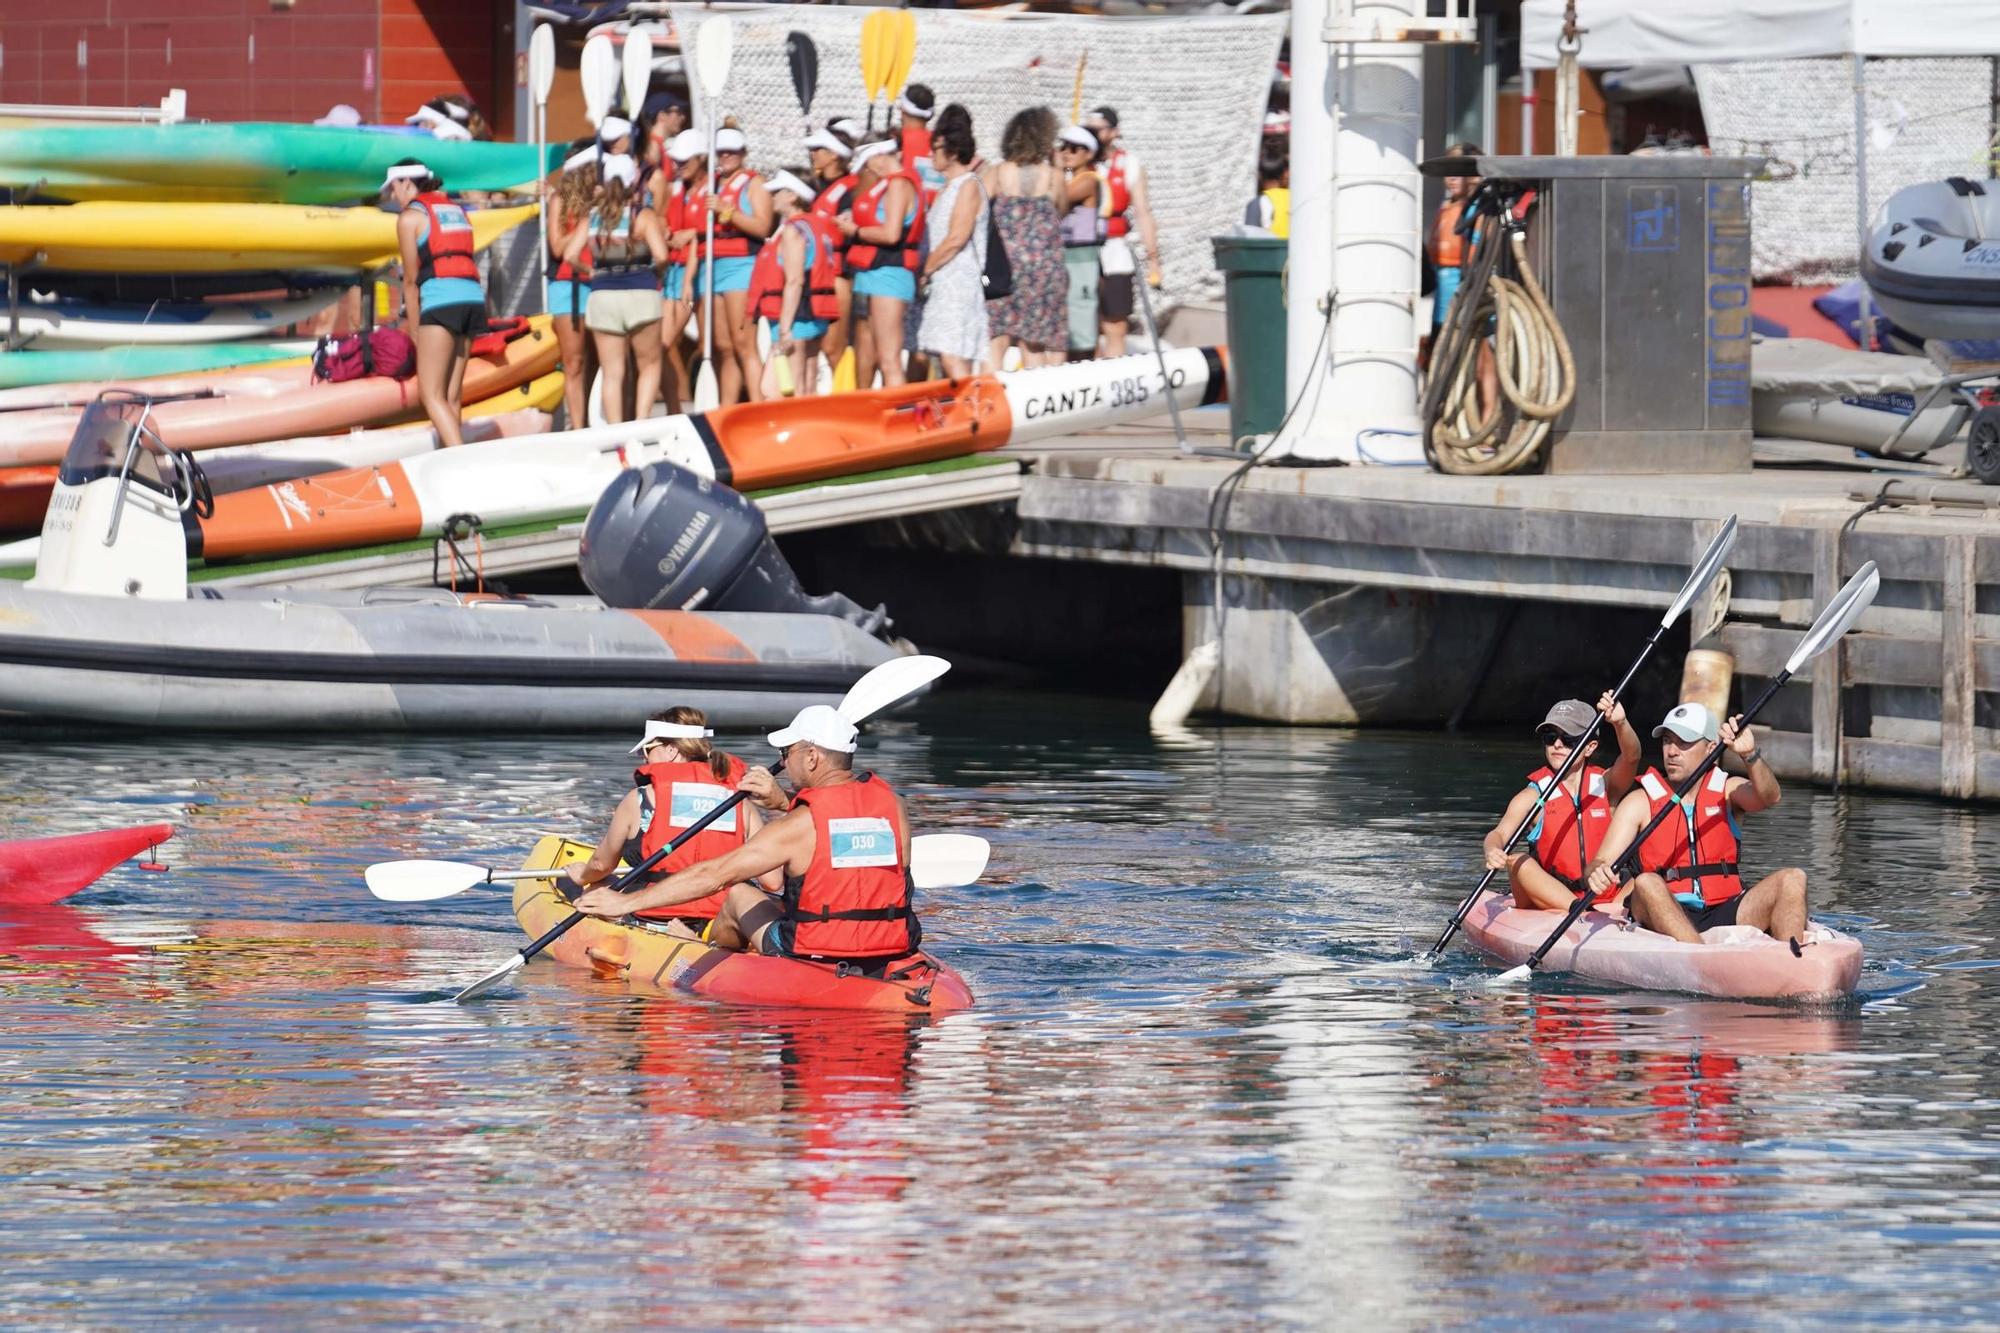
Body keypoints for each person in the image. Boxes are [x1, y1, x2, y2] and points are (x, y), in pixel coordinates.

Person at [576, 704, 923, 966]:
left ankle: (711, 953)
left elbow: (714, 876)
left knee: (739, 893)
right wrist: (783, 802)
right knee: (781, 899)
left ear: (813, 757)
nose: (784, 763)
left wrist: (625, 902)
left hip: (812, 947)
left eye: (787, 753)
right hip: (892, 943)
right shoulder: (894, 806)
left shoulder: (794, 827)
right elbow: (834, 828)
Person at [1583, 703, 1813, 947]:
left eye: (1684, 742)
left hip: (1725, 908)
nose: (1672, 751)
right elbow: (1599, 863)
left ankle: (1792, 960)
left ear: (1710, 748)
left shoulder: (1727, 790)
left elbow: (1770, 797)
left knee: (1793, 878)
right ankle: (1699, 955)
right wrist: (1596, 873)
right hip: (1663, 909)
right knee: (1646, 882)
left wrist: (1749, 755)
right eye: (1667, 741)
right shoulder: (1639, 802)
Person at [565, 708, 787, 929]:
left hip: (655, 917)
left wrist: (583, 877)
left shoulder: (641, 799)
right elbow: (773, 880)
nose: (644, 756)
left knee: (597, 887)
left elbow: (601, 863)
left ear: (670, 750)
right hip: (721, 920)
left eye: (647, 748)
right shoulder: (739, 801)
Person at [1481, 694, 1641, 911]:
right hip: (1556, 899)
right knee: (1518, 861)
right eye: (1550, 737)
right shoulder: (1532, 796)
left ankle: (1609, 913)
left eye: (1568, 739)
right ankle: (1578, 911)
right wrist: (1493, 849)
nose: (1557, 744)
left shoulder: (1607, 785)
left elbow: (1631, 757)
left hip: (1610, 895)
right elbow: (1499, 834)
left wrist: (1620, 723)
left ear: (1590, 747)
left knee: (1649, 878)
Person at [388, 159, 485, 447]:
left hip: (441, 301)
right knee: (452, 397)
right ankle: (451, 465)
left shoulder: (409, 217)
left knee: (429, 395)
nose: (393, 196)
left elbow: (410, 280)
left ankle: (461, 462)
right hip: (473, 300)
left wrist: (415, 328)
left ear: (407, 183)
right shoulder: (456, 209)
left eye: (394, 187)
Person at [982, 107, 1068, 370]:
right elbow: (1061, 211)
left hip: (1003, 266)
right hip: (1043, 268)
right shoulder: (1053, 176)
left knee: (995, 336)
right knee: (1034, 342)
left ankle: (991, 398)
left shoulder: (997, 172)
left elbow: (979, 209)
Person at [585, 152, 668, 424]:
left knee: (612, 372)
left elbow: (572, 254)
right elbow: (662, 254)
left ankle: (615, 430)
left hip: (602, 296)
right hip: (641, 293)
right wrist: (658, 273)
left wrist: (592, 273)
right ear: (635, 184)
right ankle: (642, 422)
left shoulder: (594, 217)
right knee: (650, 365)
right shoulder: (642, 214)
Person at [697, 126, 775, 405]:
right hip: (713, 268)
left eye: (732, 150)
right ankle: (726, 410)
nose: (726, 155)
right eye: (721, 151)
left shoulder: (755, 183)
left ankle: (758, 406)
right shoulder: (712, 182)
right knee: (723, 347)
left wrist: (727, 211)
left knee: (744, 345)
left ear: (743, 153)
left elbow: (763, 225)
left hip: (741, 268)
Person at [747, 171, 841, 398]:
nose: (772, 197)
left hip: (797, 318)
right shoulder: (816, 225)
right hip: (815, 316)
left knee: (775, 388)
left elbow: (795, 280)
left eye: (777, 192)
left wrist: (785, 328)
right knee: (806, 386)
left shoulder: (793, 230)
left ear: (792, 196)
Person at [838, 139, 920, 389]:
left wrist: (856, 231)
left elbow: (891, 234)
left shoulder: (898, 184)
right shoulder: (889, 185)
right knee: (879, 356)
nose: (869, 172)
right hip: (876, 276)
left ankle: (902, 418)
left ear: (877, 157)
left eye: (868, 166)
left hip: (889, 277)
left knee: (889, 361)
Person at [916, 105, 989, 379]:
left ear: (954, 152)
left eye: (936, 149)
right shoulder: (946, 187)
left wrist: (925, 269)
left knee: (952, 355)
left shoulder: (968, 184)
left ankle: (972, 416)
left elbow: (956, 238)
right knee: (940, 355)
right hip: (943, 282)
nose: (930, 155)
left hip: (959, 281)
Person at [1083, 106, 1162, 358]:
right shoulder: (1079, 162)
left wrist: (1153, 259)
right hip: (1084, 248)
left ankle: (1115, 363)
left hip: (1115, 248)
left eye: (1098, 129)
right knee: (1086, 321)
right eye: (1089, 130)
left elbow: (1143, 211)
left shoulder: (1128, 164)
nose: (1093, 135)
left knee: (1115, 321)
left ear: (1114, 132)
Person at [546, 141, 600, 429]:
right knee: (574, 361)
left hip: (601, 280)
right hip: (568, 284)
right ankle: (578, 426)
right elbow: (556, 247)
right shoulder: (560, 199)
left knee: (599, 360)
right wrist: (582, 227)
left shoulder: (605, 197)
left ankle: (594, 421)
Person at [659, 129, 707, 415]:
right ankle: (676, 409)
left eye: (684, 160)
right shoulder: (679, 190)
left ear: (701, 159)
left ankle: (681, 407)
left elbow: (699, 239)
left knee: (715, 345)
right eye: (676, 160)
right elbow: (670, 226)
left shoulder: (708, 191)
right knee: (662, 346)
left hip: (693, 274)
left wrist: (688, 279)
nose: (678, 165)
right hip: (673, 273)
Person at [806, 127, 859, 381]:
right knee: (815, 348)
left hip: (839, 277)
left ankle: (851, 402)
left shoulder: (850, 191)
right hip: (817, 275)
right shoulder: (817, 188)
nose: (812, 154)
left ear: (835, 155)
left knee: (834, 349)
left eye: (819, 149)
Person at [1055, 125, 1106, 360]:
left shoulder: (1088, 181)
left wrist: (1053, 170)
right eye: (1062, 147)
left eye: (1074, 149)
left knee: (1081, 322)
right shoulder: (1069, 179)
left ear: (1089, 154)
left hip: (1081, 259)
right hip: (1066, 257)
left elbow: (1058, 200)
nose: (1066, 152)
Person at [898, 83, 942, 204]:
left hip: (905, 213)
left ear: (902, 109)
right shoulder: (942, 143)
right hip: (937, 214)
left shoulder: (895, 142)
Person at [1244, 142, 1290, 237]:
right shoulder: (1298, 199)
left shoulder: (1257, 204)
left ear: (1259, 176)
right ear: (1285, 174)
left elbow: (1249, 243)